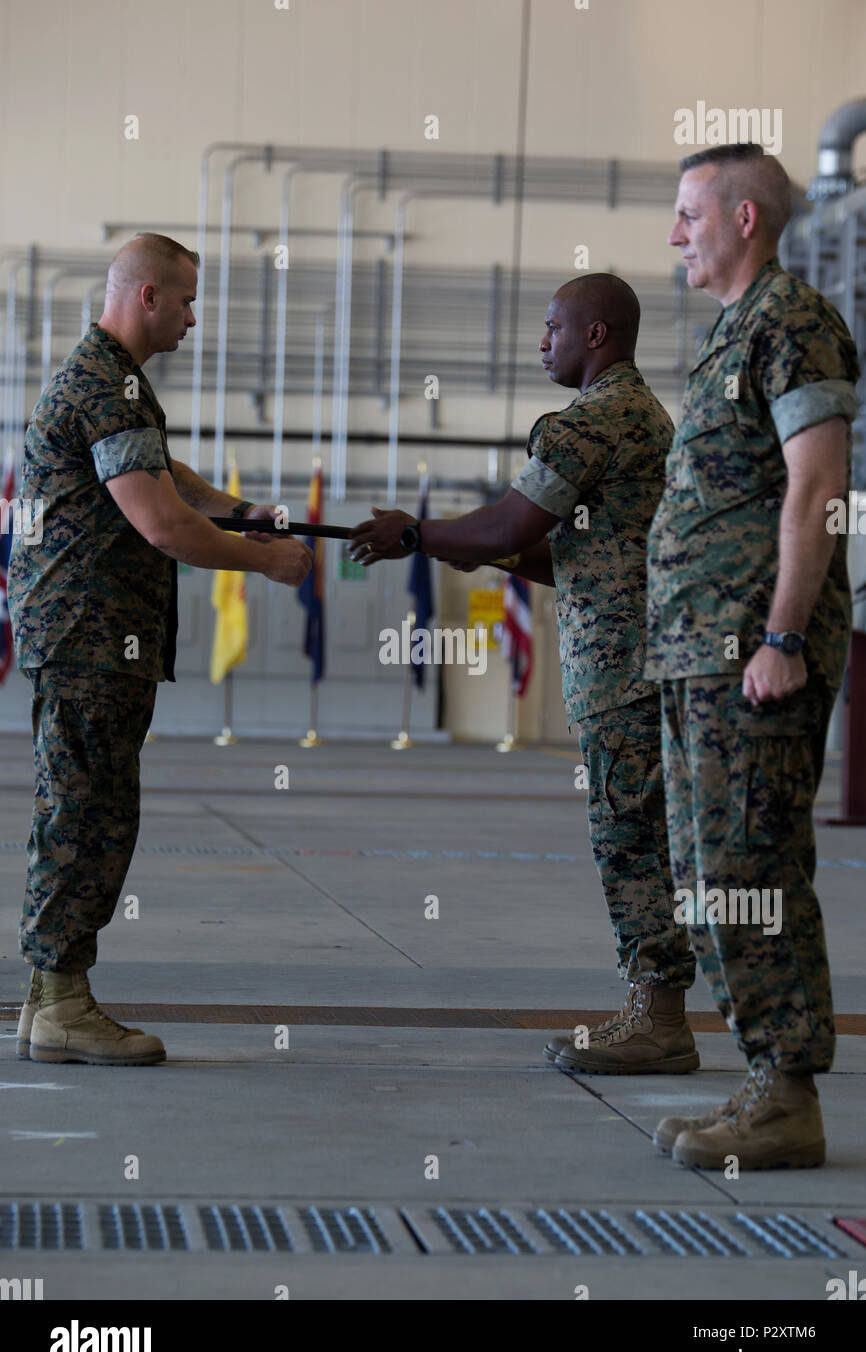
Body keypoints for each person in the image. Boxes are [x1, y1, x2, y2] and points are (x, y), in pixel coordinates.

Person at [349, 273, 700, 1076]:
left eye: (553, 328)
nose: (542, 341)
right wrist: (474, 546)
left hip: (621, 671)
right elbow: (557, 553)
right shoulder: (647, 415)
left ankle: (659, 1016)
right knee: (641, 829)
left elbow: (511, 521)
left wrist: (418, 533)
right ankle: (657, 1005)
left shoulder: (593, 421)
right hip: (645, 660)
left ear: (597, 336)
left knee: (627, 834)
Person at [7, 233, 312, 1066]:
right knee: (87, 813)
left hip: (91, 636)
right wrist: (266, 561)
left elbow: (163, 475)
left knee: (82, 808)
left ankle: (48, 999)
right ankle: (64, 1001)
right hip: (89, 635)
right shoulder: (107, 382)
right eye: (184, 301)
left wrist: (242, 509)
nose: (191, 318)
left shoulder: (114, 382)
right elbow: (160, 522)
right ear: (145, 296)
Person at [645, 144, 860, 1169]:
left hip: (752, 654)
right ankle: (759, 1081)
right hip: (701, 656)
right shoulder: (733, 331)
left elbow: (817, 488)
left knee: (750, 865)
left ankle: (786, 1090)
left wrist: (779, 636)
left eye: (688, 213)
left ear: (741, 219)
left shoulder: (792, 322)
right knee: (704, 872)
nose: (672, 232)